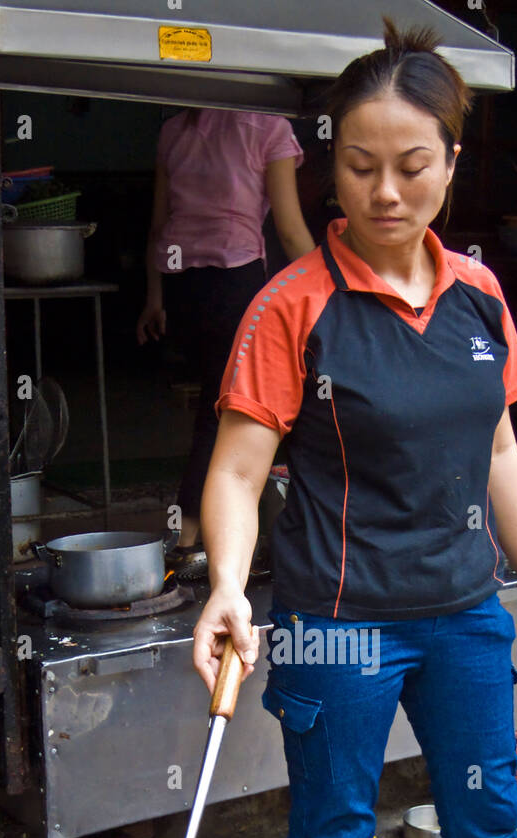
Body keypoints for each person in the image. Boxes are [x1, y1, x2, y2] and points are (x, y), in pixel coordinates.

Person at [191, 23, 517, 838]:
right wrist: (229, 587)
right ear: (334, 164)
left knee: (487, 810)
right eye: (361, 166)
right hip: (340, 625)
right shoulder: (292, 304)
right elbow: (239, 471)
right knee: (332, 836)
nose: (385, 192)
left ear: (451, 163)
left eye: (412, 165)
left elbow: (496, 450)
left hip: (465, 615)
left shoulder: (483, 298)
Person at [137, 108, 314, 578]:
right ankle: (192, 541)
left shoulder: (173, 128)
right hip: (234, 282)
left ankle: (194, 536)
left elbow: (159, 225)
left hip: (181, 283)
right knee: (228, 413)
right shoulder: (270, 128)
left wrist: (155, 297)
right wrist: (338, 290)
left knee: (217, 411)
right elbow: (291, 231)